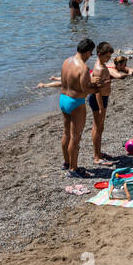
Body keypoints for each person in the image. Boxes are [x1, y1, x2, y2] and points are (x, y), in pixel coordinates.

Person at [37, 38, 94, 177]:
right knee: (76, 137)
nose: (90, 56)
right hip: (76, 102)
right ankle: (73, 169)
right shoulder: (83, 68)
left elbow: (63, 82)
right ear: (87, 52)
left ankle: (66, 163)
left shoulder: (66, 62)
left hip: (63, 99)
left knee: (66, 133)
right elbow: (85, 90)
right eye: (91, 54)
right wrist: (99, 86)